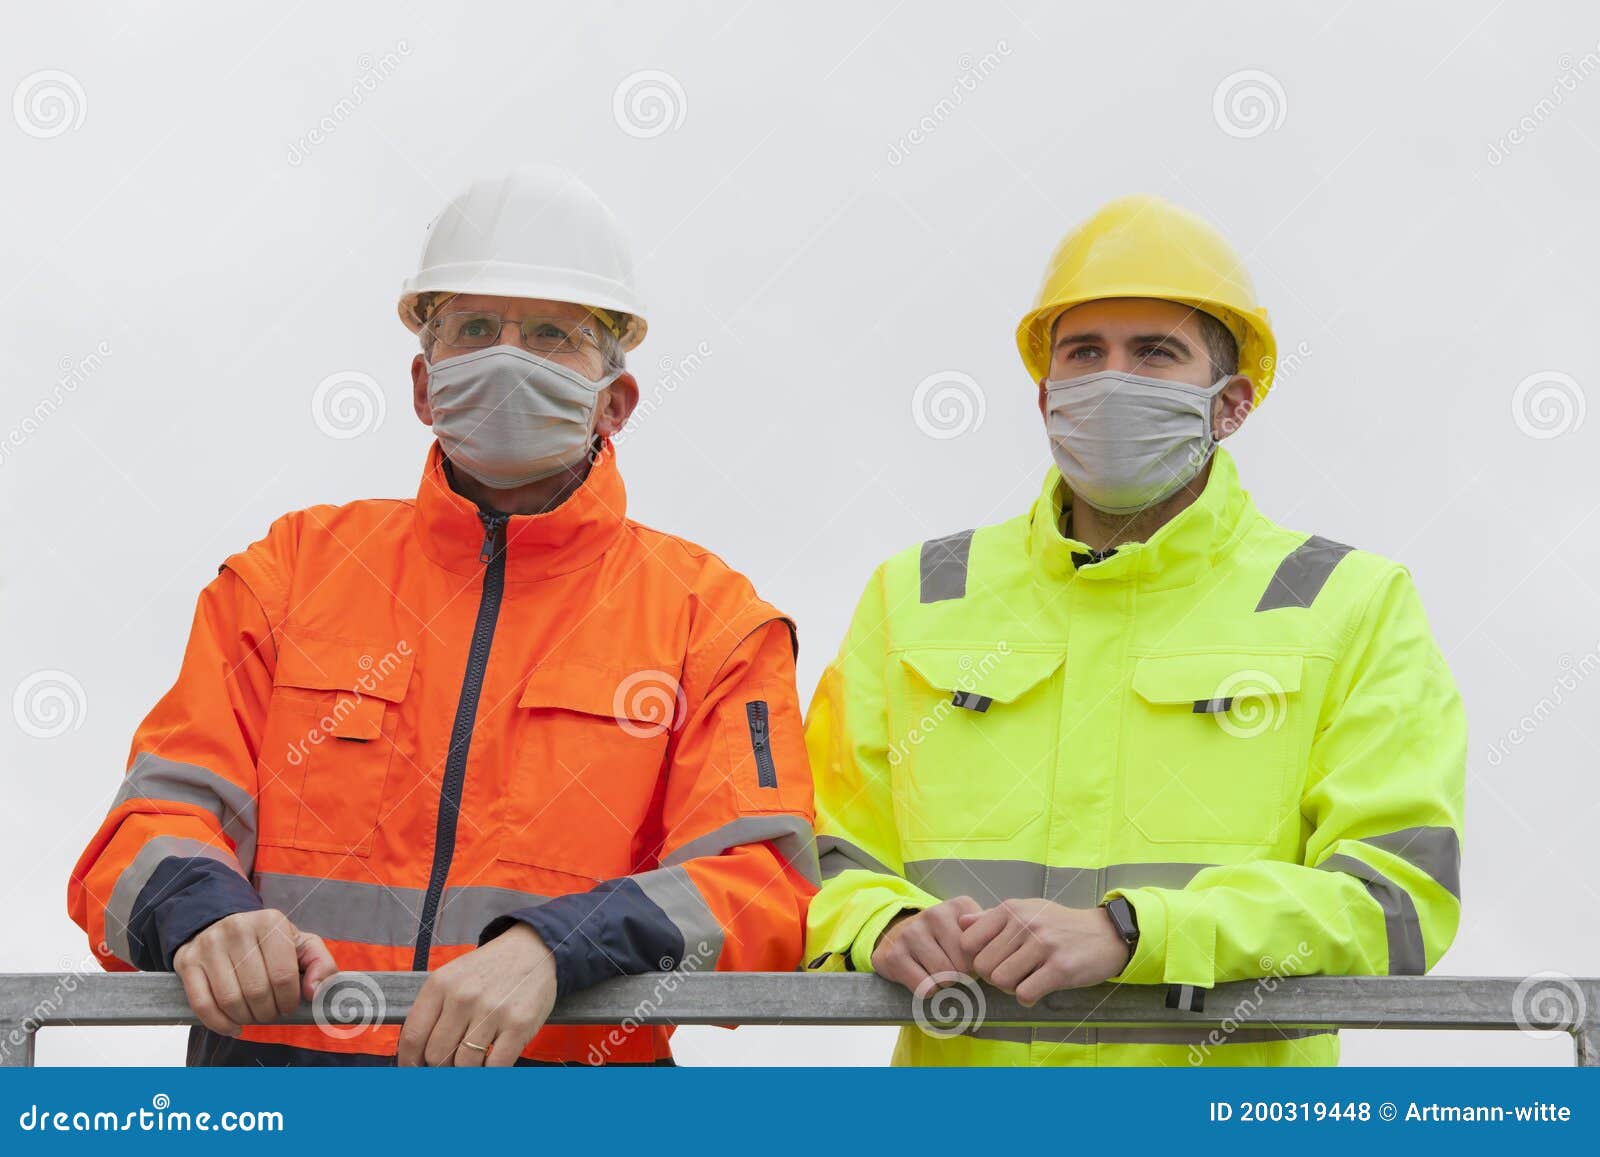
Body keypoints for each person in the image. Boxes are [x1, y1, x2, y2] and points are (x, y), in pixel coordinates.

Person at [68, 166, 817, 1066]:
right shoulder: (290, 572)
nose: (508, 357)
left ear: (615, 403)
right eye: (474, 329)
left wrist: (557, 949)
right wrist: (205, 917)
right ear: (424, 386)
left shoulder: (713, 622)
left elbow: (760, 885)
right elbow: (152, 818)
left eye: (552, 336)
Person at [803, 194, 1465, 1066]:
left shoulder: (1350, 601)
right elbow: (812, 848)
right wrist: (876, 922)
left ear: (1231, 404)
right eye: (1085, 353)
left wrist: (1140, 931)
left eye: (1156, 353)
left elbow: (1397, 896)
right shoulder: (917, 595)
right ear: (1045, 397)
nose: (1112, 380)